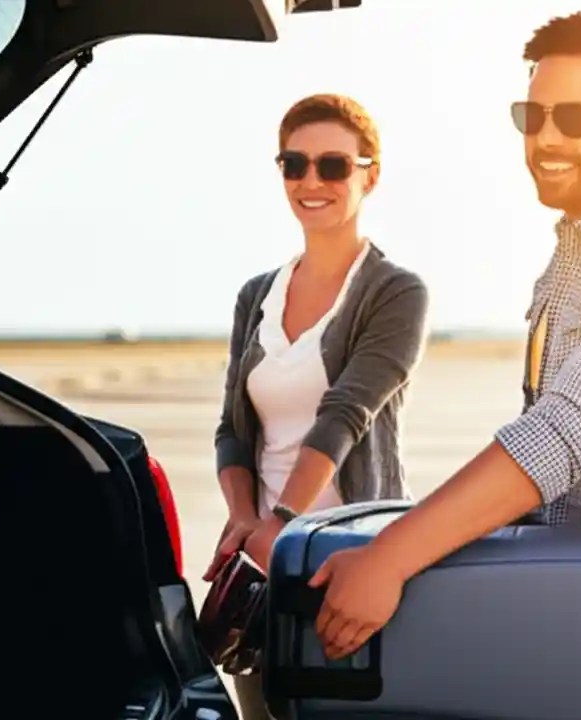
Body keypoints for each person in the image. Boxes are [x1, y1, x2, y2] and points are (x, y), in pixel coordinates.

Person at [304, 11, 581, 719]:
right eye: (532, 115)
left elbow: (561, 436)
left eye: (574, 117)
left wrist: (392, 557)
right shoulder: (577, 251)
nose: (545, 138)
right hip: (571, 595)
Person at [205, 93, 428, 719]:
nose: (311, 181)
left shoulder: (396, 292)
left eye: (333, 166)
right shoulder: (256, 295)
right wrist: (245, 521)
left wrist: (282, 520)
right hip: (261, 559)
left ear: (370, 174)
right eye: (293, 164)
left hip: (347, 556)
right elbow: (232, 427)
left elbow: (346, 417)